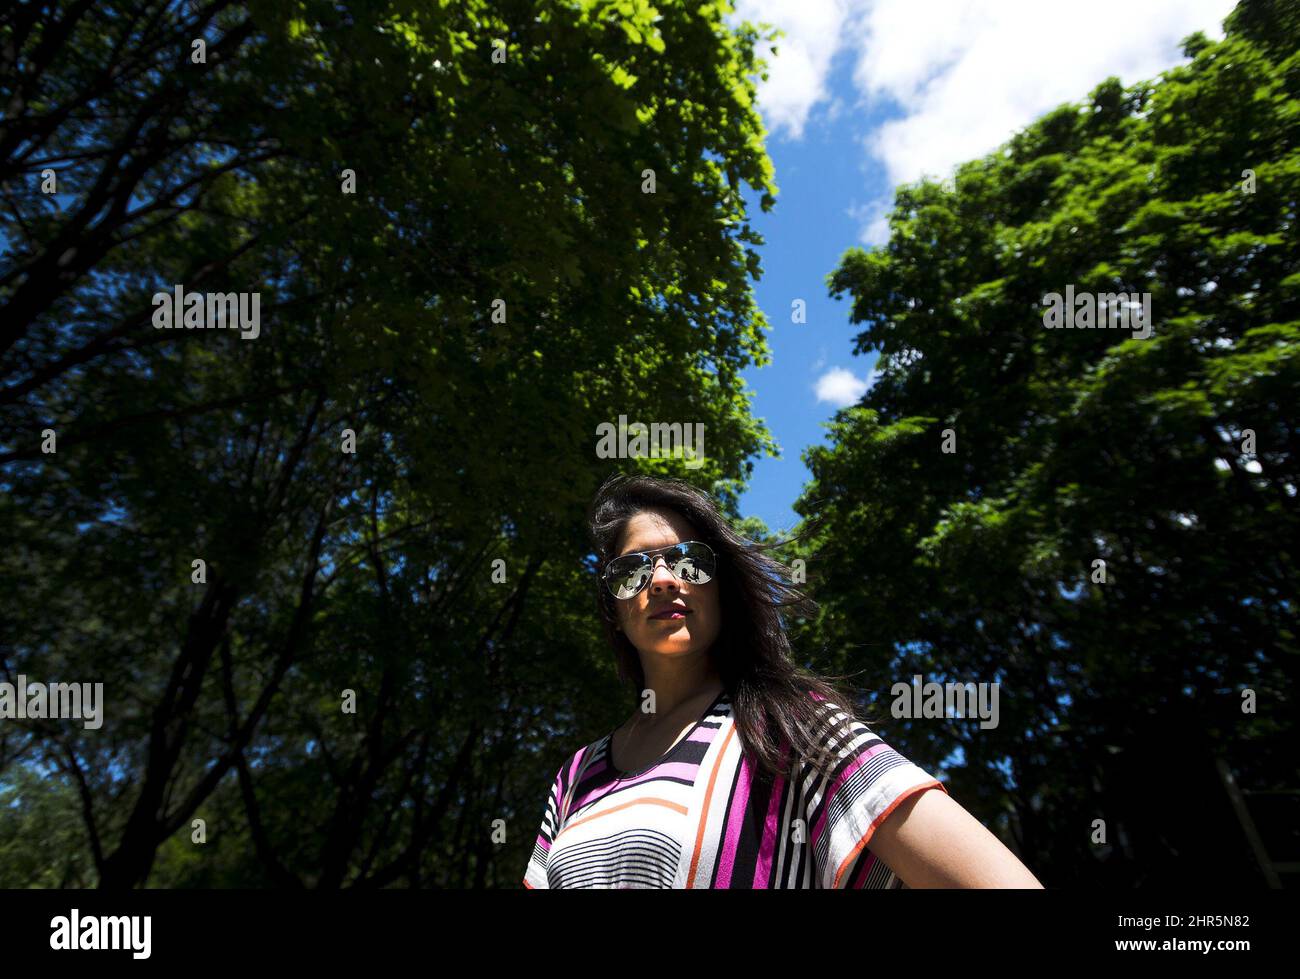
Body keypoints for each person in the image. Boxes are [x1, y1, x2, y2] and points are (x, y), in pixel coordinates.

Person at [524, 473, 1043, 888]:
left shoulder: (789, 725)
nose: (662, 579)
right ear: (614, 608)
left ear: (723, 591)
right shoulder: (576, 775)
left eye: (691, 562)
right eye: (633, 569)